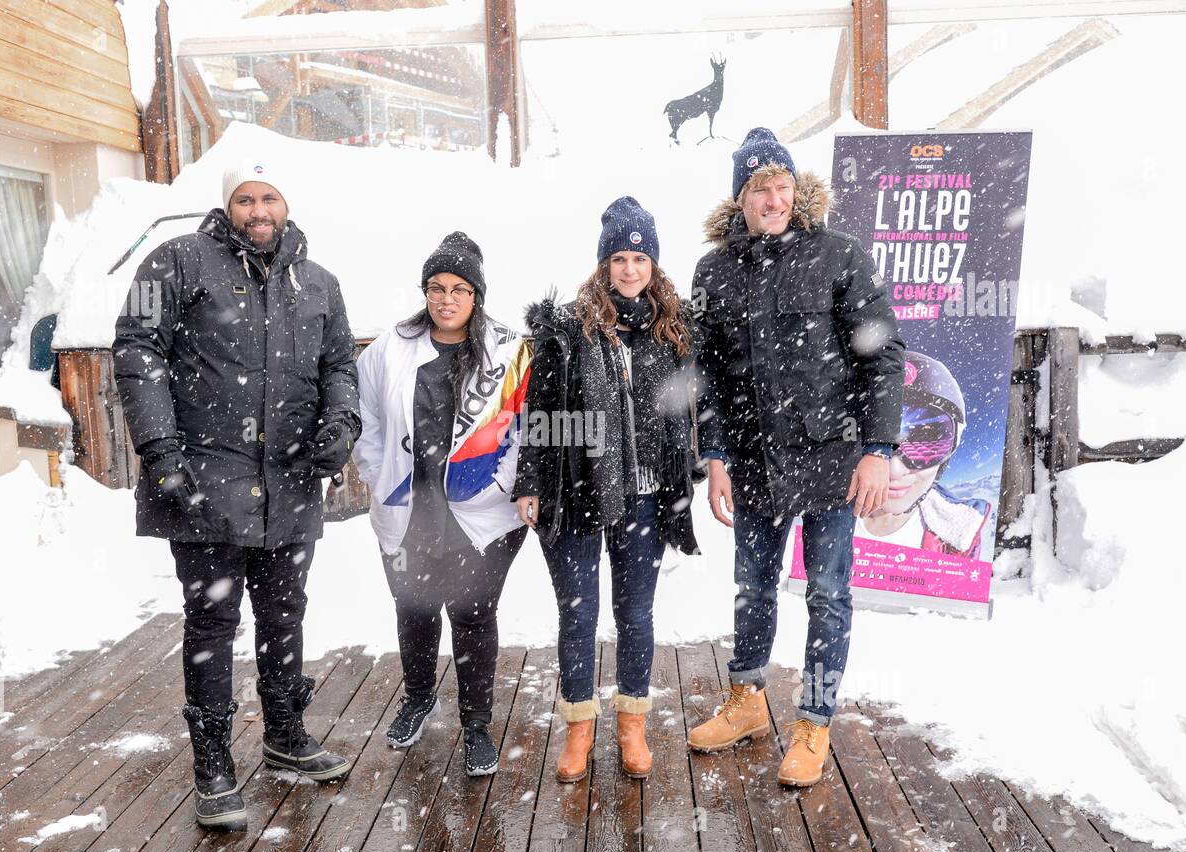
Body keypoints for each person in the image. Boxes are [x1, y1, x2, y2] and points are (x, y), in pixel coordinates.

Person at [113, 160, 360, 831]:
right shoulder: (177, 263)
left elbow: (340, 364)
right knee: (212, 626)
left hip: (291, 484)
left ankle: (284, 733)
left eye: (270, 196)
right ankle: (214, 764)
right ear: (228, 206)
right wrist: (160, 451)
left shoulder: (320, 283)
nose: (258, 208)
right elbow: (138, 352)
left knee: (285, 615)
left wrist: (342, 421)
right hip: (202, 488)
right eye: (245, 198)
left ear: (286, 203)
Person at [688, 128, 905, 787]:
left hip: (834, 458)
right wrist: (715, 454)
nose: (774, 198)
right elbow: (707, 374)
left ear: (796, 190)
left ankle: (813, 720)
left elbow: (882, 355)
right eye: (761, 188)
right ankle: (748, 699)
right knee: (753, 586)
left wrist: (877, 449)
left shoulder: (839, 255)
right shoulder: (713, 271)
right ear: (741, 197)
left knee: (828, 592)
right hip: (753, 461)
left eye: (783, 186)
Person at [514, 197, 699, 783]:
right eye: (617, 258)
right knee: (578, 615)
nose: (628, 269)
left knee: (636, 614)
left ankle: (632, 726)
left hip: (644, 494)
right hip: (578, 492)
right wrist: (531, 480)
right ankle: (578, 730)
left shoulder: (672, 328)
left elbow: (689, 407)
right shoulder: (568, 329)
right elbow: (538, 412)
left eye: (638, 258)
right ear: (602, 264)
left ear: (653, 264)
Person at [352, 232, 531, 777]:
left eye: (458, 289)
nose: (445, 299)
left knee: (473, 614)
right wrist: (380, 477)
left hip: (482, 515)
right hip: (411, 507)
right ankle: (417, 696)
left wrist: (500, 486)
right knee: (414, 605)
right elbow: (367, 423)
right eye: (436, 288)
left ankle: (476, 725)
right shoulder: (390, 347)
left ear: (477, 295)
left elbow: (527, 428)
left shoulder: (509, 350)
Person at [856, 352, 991, 559]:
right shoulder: (809, 517)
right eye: (867, 440)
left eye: (926, 439)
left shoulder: (959, 535)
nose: (893, 469)